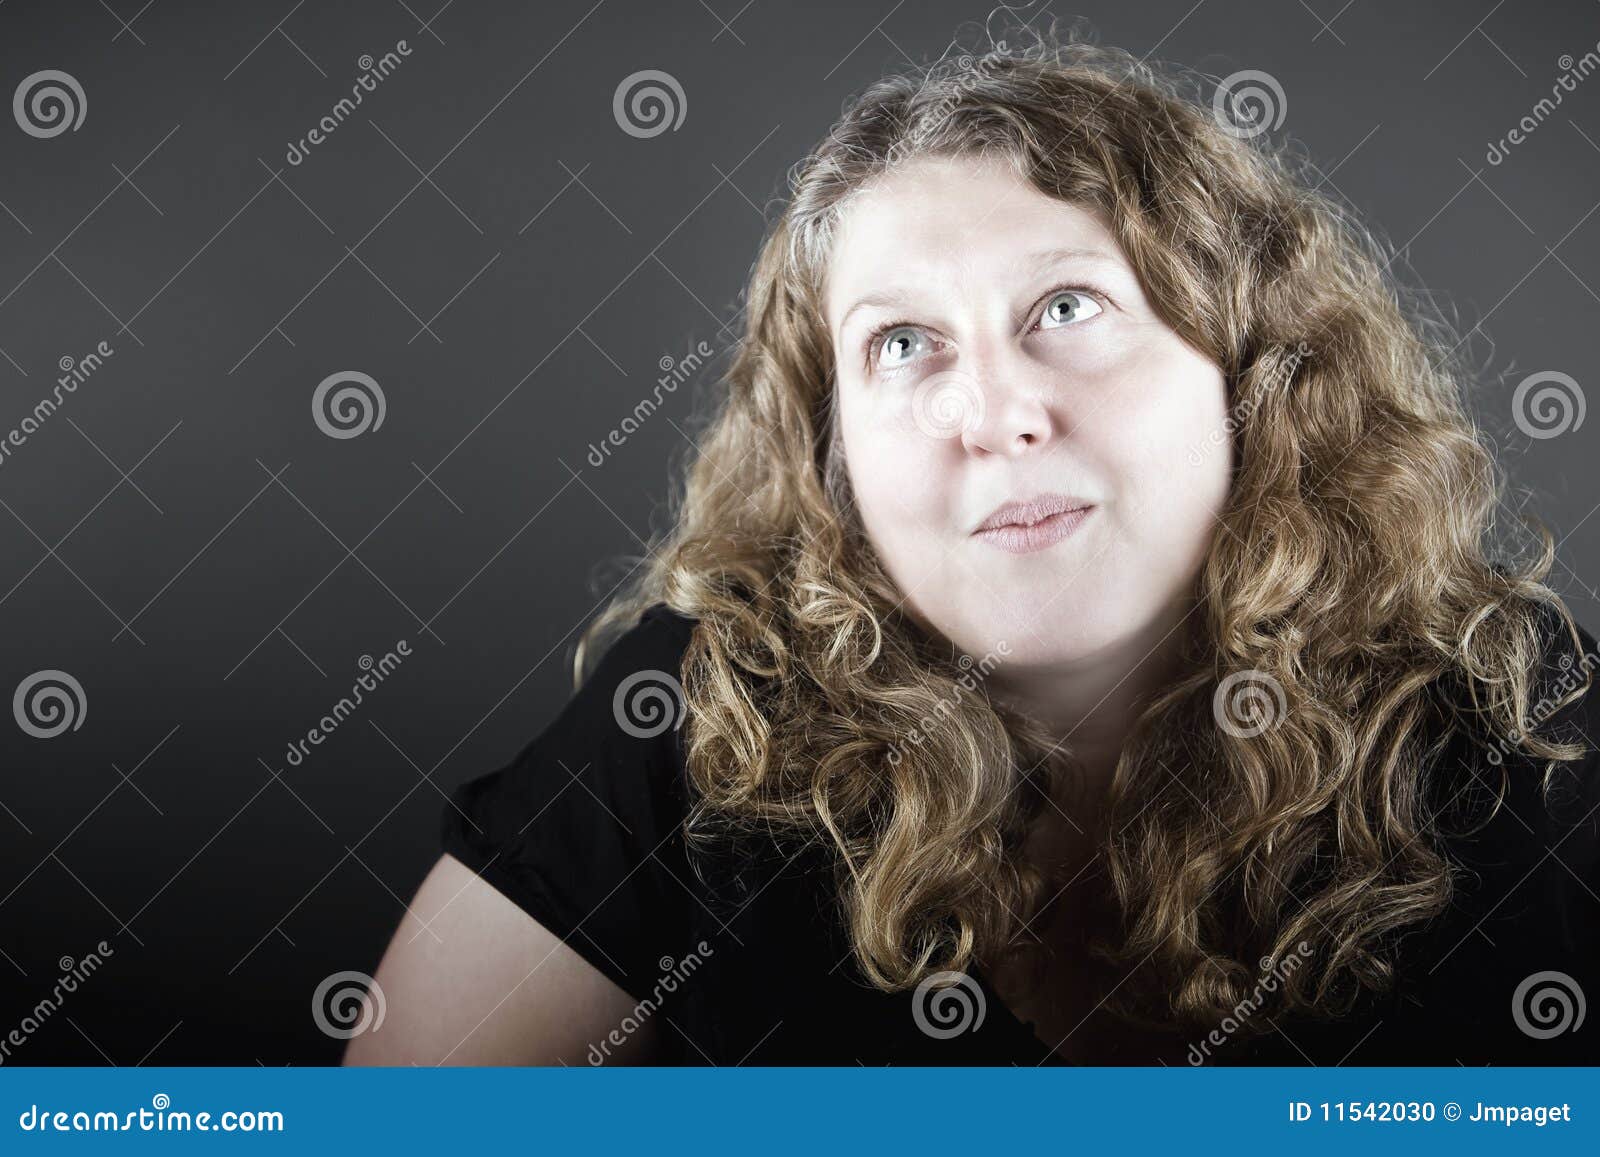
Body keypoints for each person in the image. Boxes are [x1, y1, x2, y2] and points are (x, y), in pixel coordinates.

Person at [344, 29, 1600, 1067]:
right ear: (836, 449)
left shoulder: (1516, 721)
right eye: (903, 343)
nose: (995, 412)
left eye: (1067, 307)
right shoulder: (696, 717)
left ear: (1249, 369)